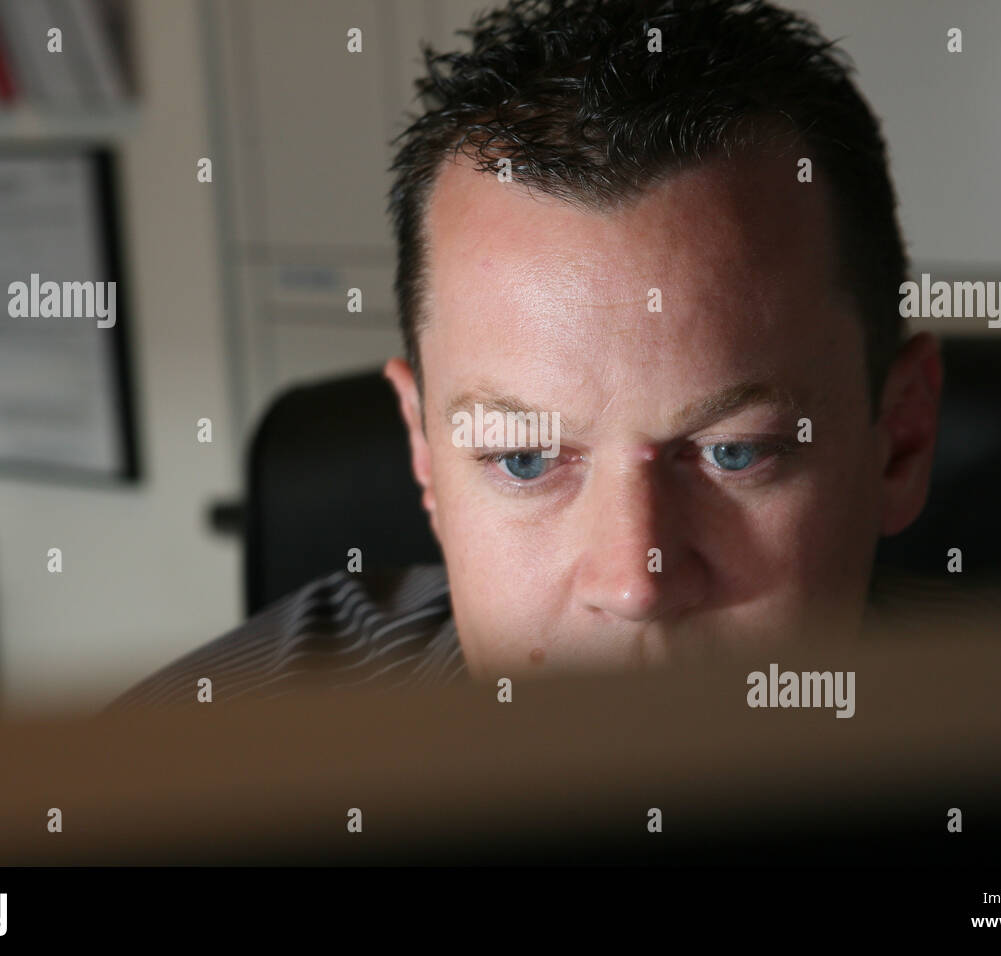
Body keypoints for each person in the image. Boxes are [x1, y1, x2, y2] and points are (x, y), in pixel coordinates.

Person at [110, 0, 946, 709]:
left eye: (735, 452)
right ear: (424, 453)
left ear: (900, 441)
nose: (635, 586)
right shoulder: (208, 766)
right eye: (523, 460)